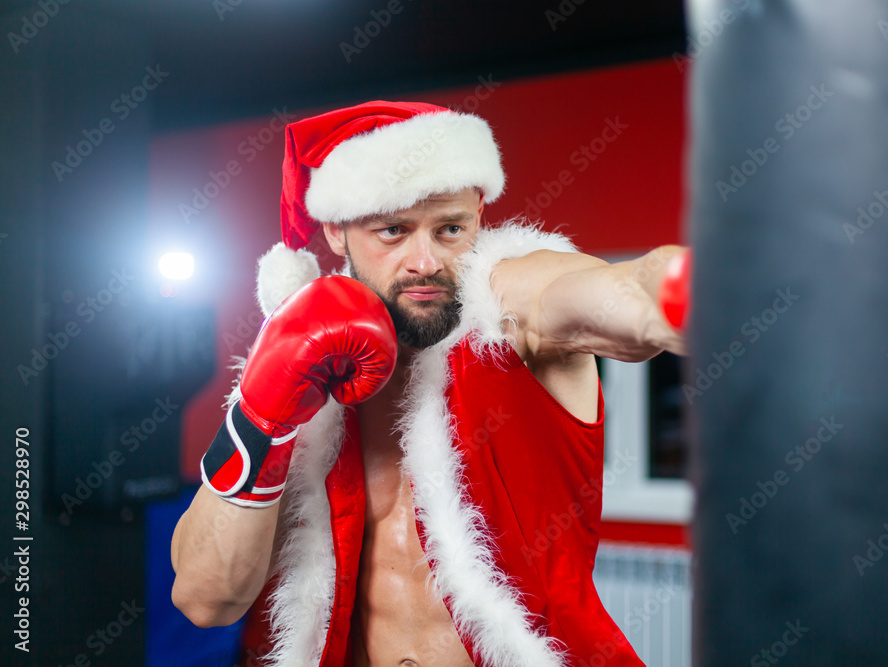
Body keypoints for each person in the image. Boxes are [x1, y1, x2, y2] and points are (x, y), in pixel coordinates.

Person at [170, 100, 688, 667]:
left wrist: (681, 292)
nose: (426, 261)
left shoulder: (511, 301)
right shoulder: (306, 374)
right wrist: (259, 416)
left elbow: (614, 294)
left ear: (479, 215)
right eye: (393, 230)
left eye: (450, 229)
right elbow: (206, 599)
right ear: (337, 232)